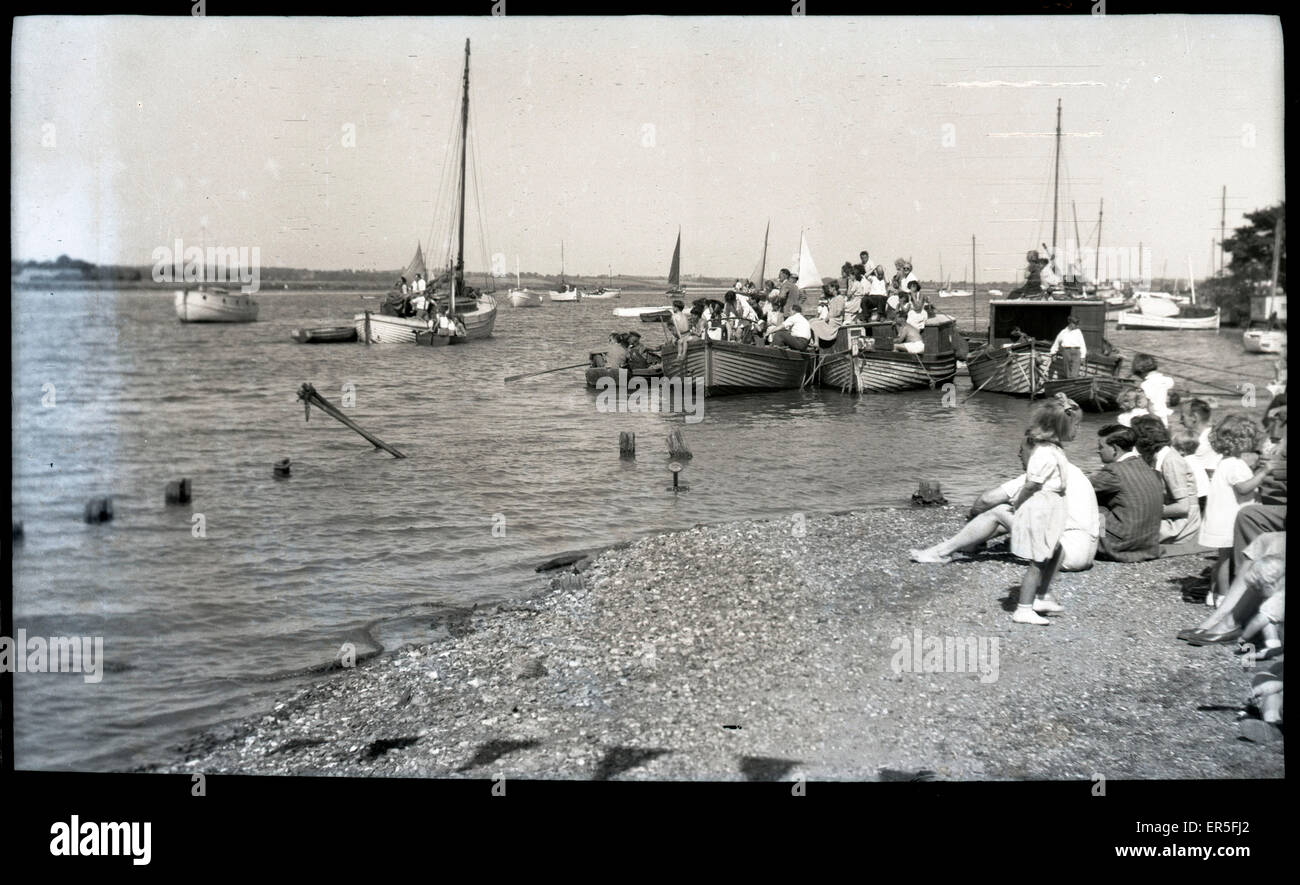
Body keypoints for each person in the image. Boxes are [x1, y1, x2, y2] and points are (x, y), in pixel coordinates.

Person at [911, 397, 1098, 572]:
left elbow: (985, 500)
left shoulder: (1041, 466)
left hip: (1066, 554)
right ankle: (969, 544)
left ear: (1033, 448)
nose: (1019, 456)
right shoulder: (1068, 467)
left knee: (999, 511)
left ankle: (940, 552)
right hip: (1086, 552)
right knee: (1009, 514)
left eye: (1021, 450)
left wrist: (972, 516)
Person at [1007, 399, 1079, 625]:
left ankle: (1042, 593)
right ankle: (1024, 608)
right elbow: (1031, 484)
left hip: (1052, 505)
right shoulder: (1044, 453)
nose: (1077, 430)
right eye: (1074, 426)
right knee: (1038, 560)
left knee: (1055, 549)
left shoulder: (1054, 449)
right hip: (1041, 506)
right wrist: (1018, 503)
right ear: (1058, 428)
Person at [1198, 414, 1268, 606]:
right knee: (1227, 560)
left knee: (1222, 559)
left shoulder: (1225, 461)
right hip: (1229, 519)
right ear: (1240, 442)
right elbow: (1244, 488)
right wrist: (1263, 473)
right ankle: (1224, 596)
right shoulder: (1234, 465)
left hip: (1221, 516)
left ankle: (1213, 593)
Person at [1090, 423, 1164, 562]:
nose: (1098, 451)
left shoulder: (1113, 471)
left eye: (1101, 447)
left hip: (1118, 545)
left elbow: (1082, 490)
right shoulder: (1144, 465)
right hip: (1148, 544)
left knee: (1089, 504)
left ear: (1114, 449)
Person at [1131, 415, 1202, 546]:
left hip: (1182, 524)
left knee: (1125, 531)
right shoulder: (1159, 459)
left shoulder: (1171, 461)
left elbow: (1183, 507)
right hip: (1172, 517)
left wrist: (1149, 511)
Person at [1170, 428, 1210, 514]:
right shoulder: (1197, 460)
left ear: (1181, 451)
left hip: (1196, 497)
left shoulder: (1184, 462)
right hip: (1206, 495)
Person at [1178, 398, 1221, 474]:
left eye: (1182, 417)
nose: (1180, 421)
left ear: (1194, 417)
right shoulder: (1215, 435)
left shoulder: (1201, 443)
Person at [1132, 353, 1174, 426]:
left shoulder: (1145, 385)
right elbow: (1170, 392)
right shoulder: (1168, 380)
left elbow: (1148, 404)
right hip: (1163, 413)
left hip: (1152, 415)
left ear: (1142, 371)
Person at [1048, 314, 1087, 379]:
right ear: (1070, 323)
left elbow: (1083, 344)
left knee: (1075, 373)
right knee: (1067, 373)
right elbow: (1056, 343)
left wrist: (1083, 356)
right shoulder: (1063, 332)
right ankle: (1069, 384)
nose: (1076, 325)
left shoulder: (1078, 332)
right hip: (1066, 352)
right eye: (1075, 323)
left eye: (1077, 323)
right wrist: (1053, 353)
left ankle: (1072, 384)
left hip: (1076, 352)